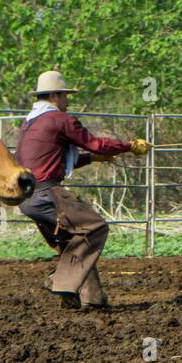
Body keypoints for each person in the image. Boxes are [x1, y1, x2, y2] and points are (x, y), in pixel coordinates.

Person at [16, 70, 150, 309]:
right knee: (95, 227)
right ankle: (59, 280)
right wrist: (129, 145)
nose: (68, 100)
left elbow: (49, 159)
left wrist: (92, 159)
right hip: (48, 192)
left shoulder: (30, 122)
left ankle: (92, 299)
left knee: (73, 241)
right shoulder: (59, 119)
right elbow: (95, 143)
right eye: (66, 95)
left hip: (28, 197)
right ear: (56, 95)